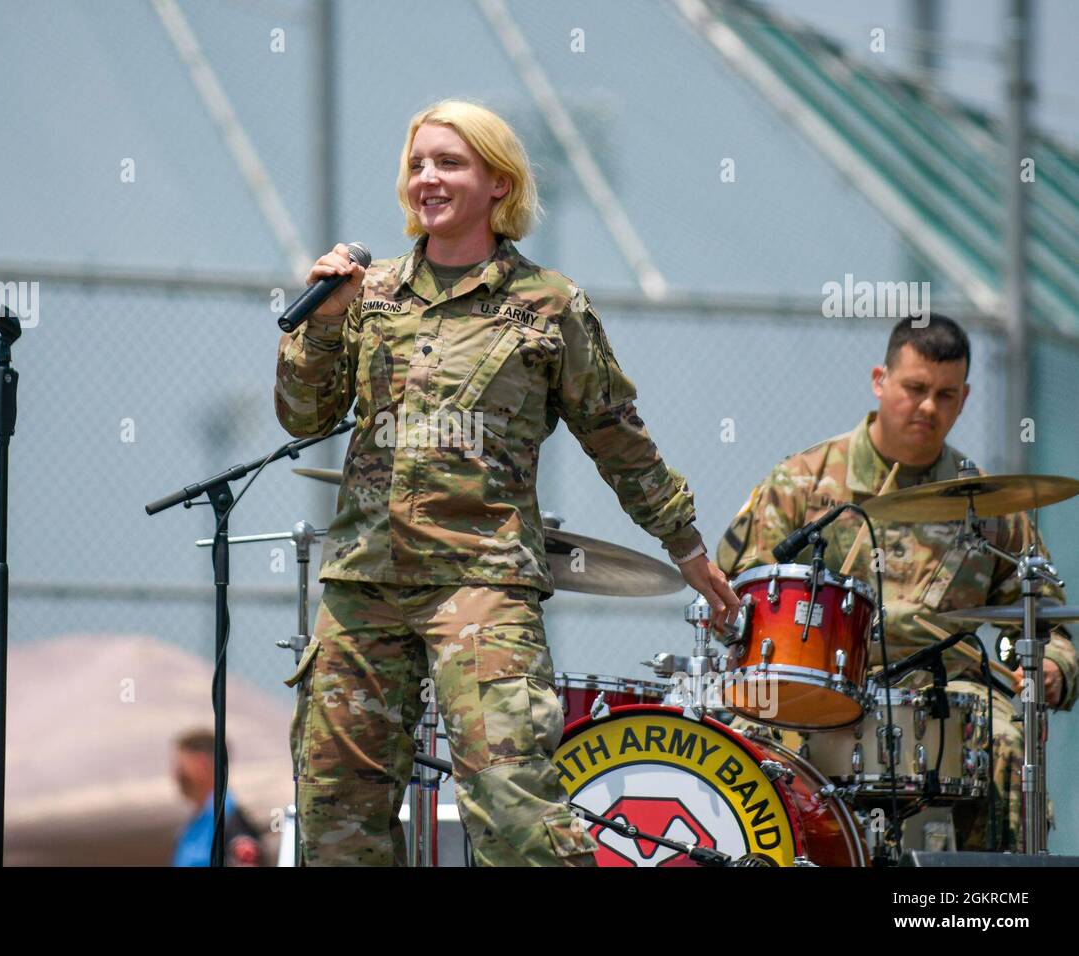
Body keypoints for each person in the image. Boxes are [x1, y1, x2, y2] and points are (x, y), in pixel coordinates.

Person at [274, 99, 738, 866]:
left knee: (516, 810)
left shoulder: (548, 305)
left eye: (449, 163)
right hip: (364, 582)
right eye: (418, 163)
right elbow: (302, 415)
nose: (428, 178)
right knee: (335, 820)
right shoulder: (370, 294)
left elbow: (617, 436)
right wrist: (322, 322)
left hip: (482, 583)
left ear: (498, 183)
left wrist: (685, 545)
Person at [716, 313, 1077, 852]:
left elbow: (1042, 618)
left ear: (965, 397)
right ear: (879, 380)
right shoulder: (804, 483)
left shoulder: (991, 506)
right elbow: (743, 593)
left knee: (1006, 743)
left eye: (946, 394)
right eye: (915, 388)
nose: (929, 407)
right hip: (825, 684)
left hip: (948, 691)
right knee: (743, 749)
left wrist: (1051, 666)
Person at [171, 730, 262, 867]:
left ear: (202, 765)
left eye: (181, 767)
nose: (175, 774)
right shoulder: (197, 821)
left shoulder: (232, 821)